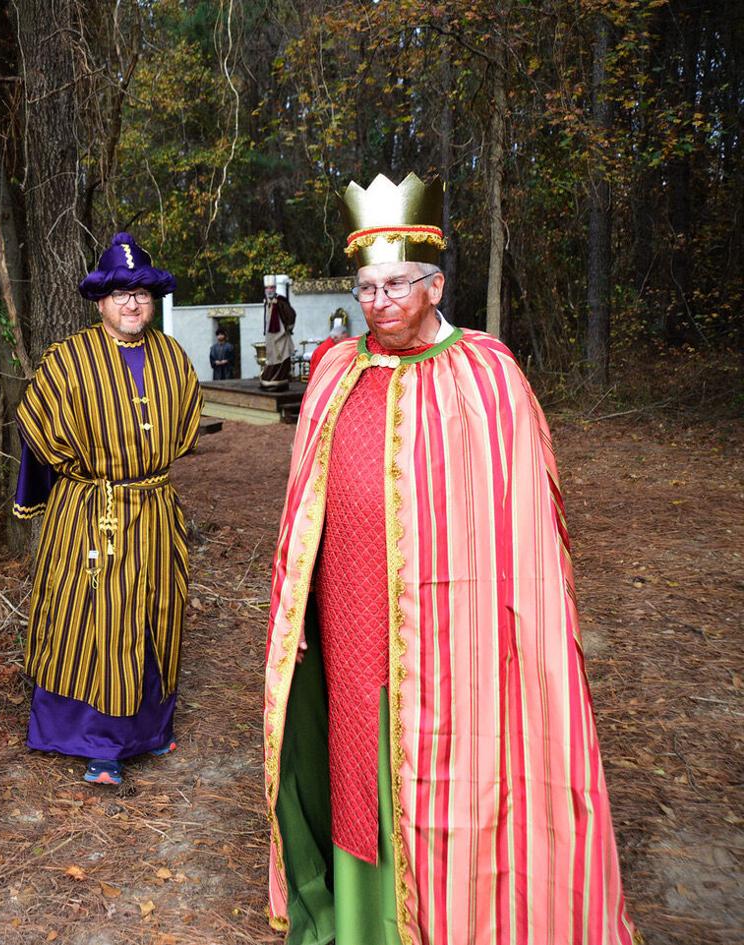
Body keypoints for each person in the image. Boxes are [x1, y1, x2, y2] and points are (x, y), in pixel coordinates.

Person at [262, 173, 638, 945]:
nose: (380, 302)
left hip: (456, 635)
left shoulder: (488, 374)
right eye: (367, 287)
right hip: (352, 618)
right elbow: (303, 511)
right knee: (358, 760)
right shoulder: (336, 369)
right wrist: (297, 607)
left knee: (450, 774)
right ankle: (367, 922)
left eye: (397, 284)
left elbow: (524, 525)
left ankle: (460, 914)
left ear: (435, 283)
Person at [12, 232, 202, 787]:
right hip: (89, 515)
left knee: (154, 614)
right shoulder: (68, 360)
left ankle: (148, 730)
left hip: (156, 508)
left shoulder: (173, 357)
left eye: (141, 292)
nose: (132, 303)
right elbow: (36, 430)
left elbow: (185, 427)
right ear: (101, 302)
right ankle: (94, 742)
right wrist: (39, 496)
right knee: (92, 619)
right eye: (120, 293)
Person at [259, 275, 297, 391]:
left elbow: (291, 315)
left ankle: (278, 383)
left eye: (272, 288)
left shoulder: (281, 301)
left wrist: (288, 328)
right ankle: (270, 382)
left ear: (275, 288)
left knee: (281, 359)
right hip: (271, 338)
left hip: (281, 337)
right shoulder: (267, 302)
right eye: (268, 288)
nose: (270, 290)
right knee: (271, 359)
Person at [306, 320, 346, 384]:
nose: (345, 341)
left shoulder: (331, 345)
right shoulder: (326, 349)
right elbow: (319, 372)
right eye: (344, 339)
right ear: (336, 338)